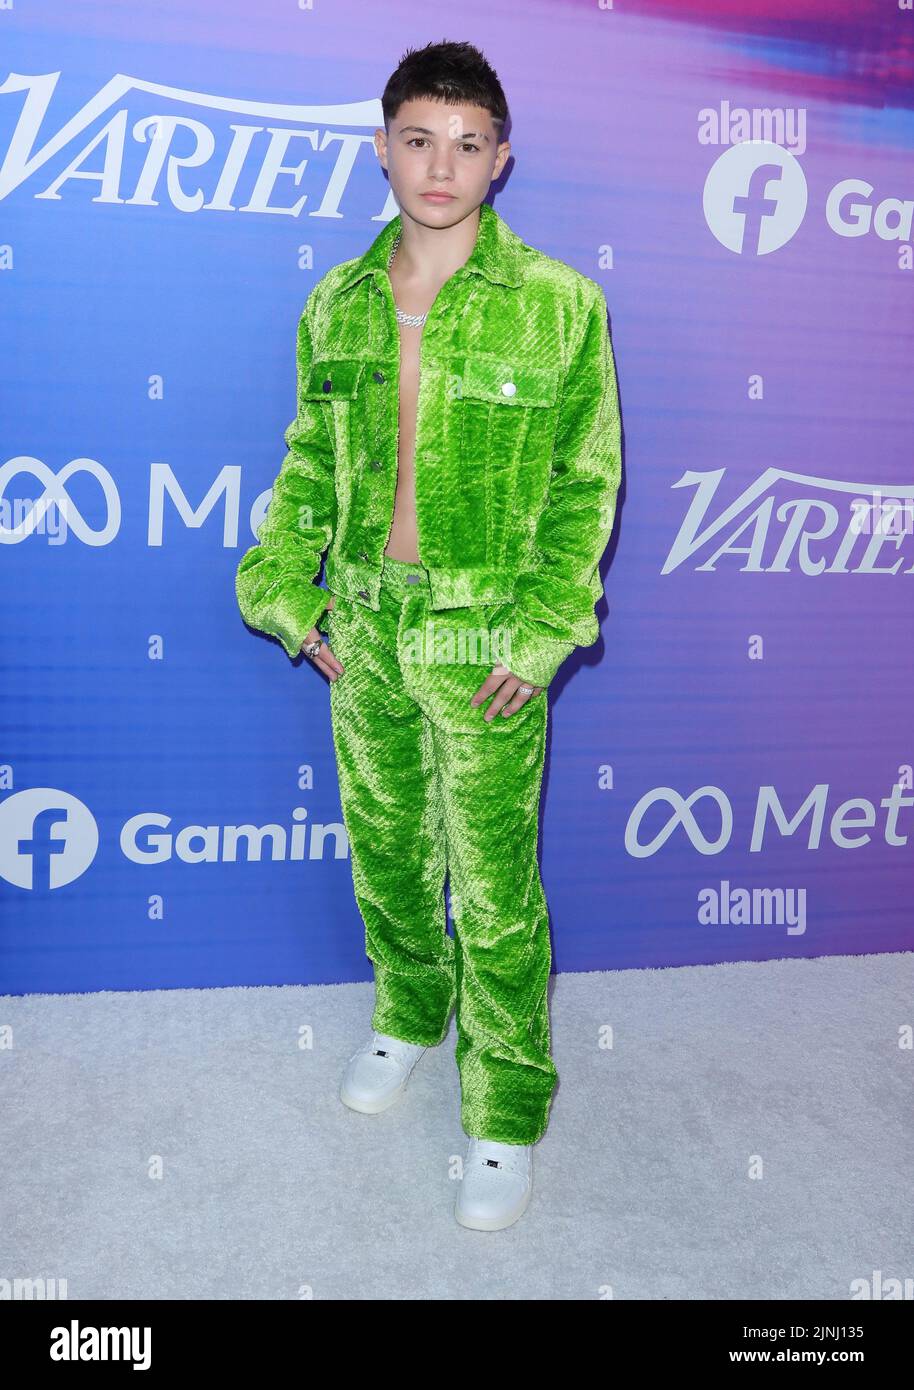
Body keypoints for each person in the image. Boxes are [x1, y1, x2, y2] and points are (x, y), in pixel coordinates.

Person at [235, 40, 621, 1231]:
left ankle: (502, 1109)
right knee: (390, 856)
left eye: (465, 143)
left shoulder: (559, 303)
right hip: (363, 623)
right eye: (416, 138)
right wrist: (286, 594)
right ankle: (407, 1013)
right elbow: (307, 464)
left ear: (499, 159)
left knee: (497, 889)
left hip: (484, 638)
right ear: (381, 148)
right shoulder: (335, 304)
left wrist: (542, 629)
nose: (438, 164)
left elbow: (582, 481)